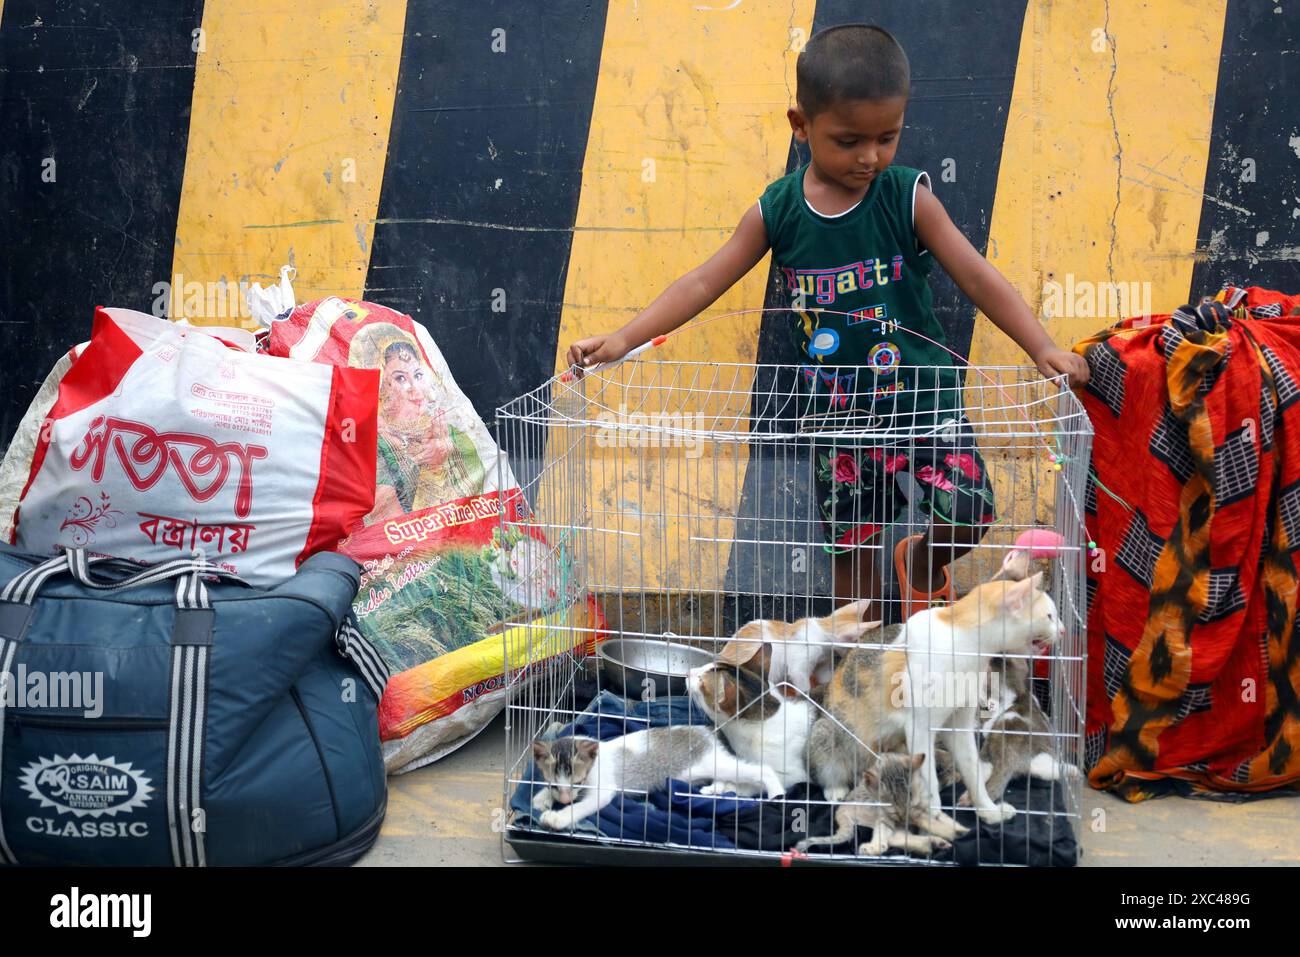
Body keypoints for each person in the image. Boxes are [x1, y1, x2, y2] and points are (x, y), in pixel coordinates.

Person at [565, 24, 1090, 621]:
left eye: (886, 137)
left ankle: (918, 565)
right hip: (840, 415)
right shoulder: (779, 209)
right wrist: (624, 338)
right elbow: (704, 280)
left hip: (925, 399)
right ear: (801, 124)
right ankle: (856, 665)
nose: (870, 157)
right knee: (852, 550)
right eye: (849, 141)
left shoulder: (905, 196)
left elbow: (976, 276)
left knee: (968, 513)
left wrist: (1040, 345)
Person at [348, 324, 485, 524]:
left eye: (418, 375)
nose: (415, 389)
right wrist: (433, 470)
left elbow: (482, 513)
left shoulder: (451, 433)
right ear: (377, 389)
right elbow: (396, 541)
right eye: (400, 378)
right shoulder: (370, 447)